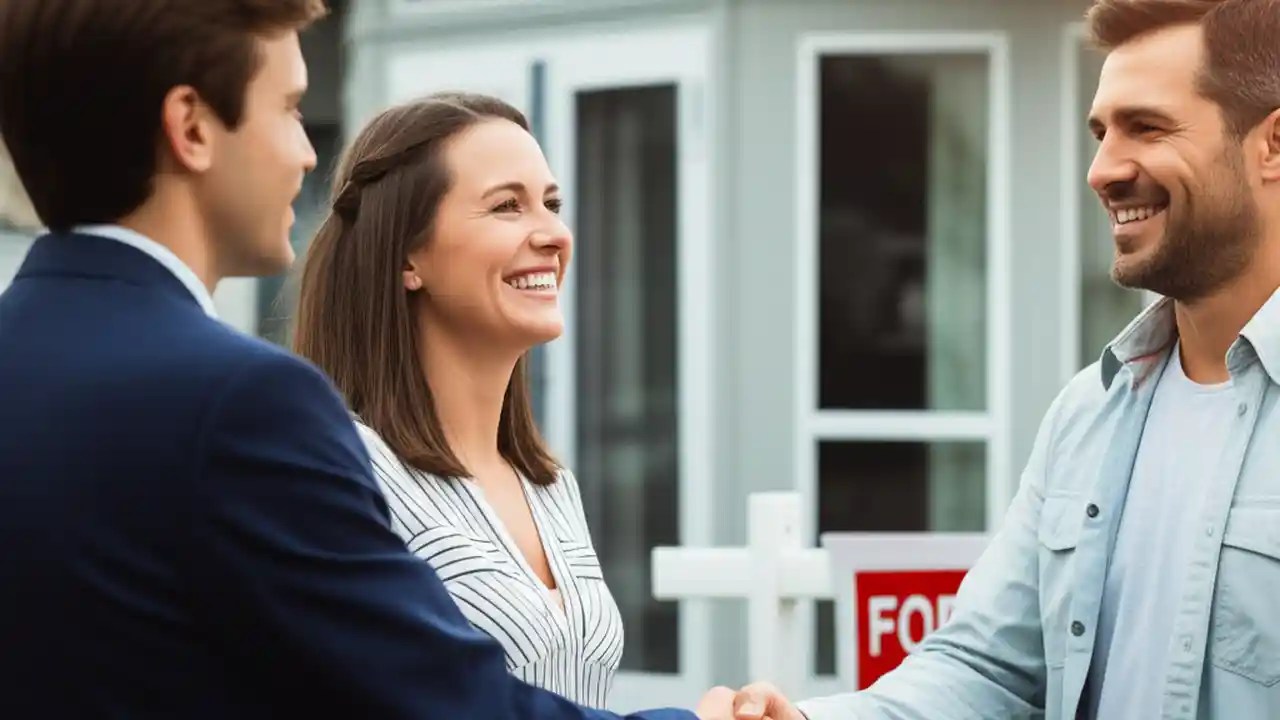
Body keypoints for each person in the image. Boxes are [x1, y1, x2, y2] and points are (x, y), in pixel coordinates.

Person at [0, 1, 734, 718]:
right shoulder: (243, 404)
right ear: (191, 126)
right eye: (289, 108)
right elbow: (448, 700)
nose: (309, 152)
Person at [732, 1, 1280, 718]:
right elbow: (988, 669)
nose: (1102, 170)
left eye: (1145, 127)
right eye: (1100, 132)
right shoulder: (1091, 412)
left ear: (1272, 146)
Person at [292, 92, 621, 708]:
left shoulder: (550, 487)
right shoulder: (350, 472)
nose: (553, 234)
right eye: (507, 206)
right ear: (407, 256)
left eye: (551, 204)